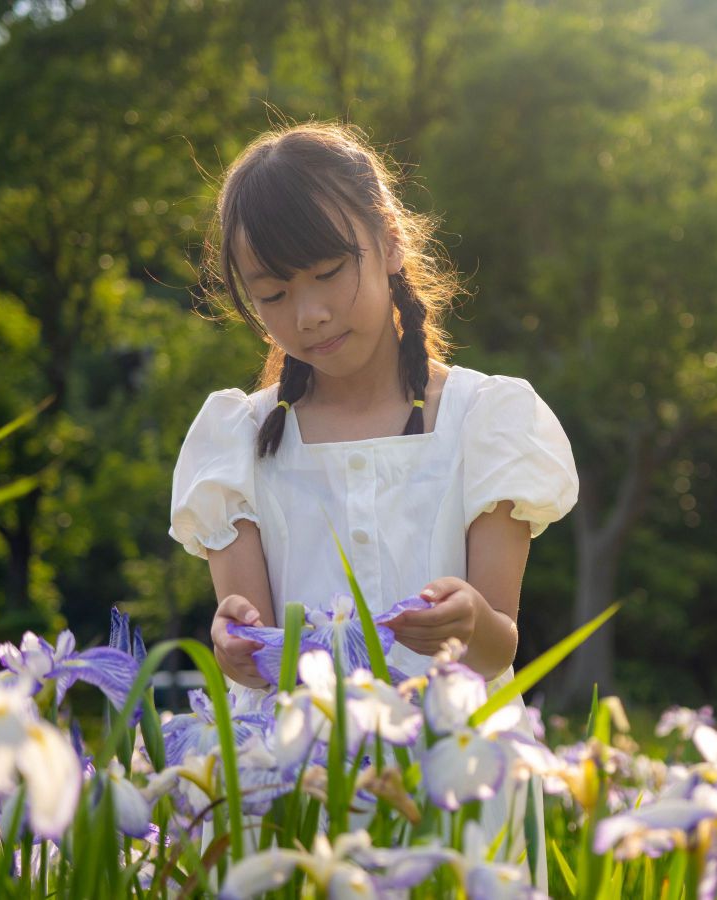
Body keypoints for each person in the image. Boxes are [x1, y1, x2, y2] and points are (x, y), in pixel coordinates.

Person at [168, 121, 579, 883]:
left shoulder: (485, 421)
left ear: (390, 242)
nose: (310, 314)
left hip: (454, 782)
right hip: (296, 788)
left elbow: (499, 644)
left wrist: (466, 623)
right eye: (274, 294)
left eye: (328, 272)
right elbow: (250, 653)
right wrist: (234, 641)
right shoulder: (238, 438)